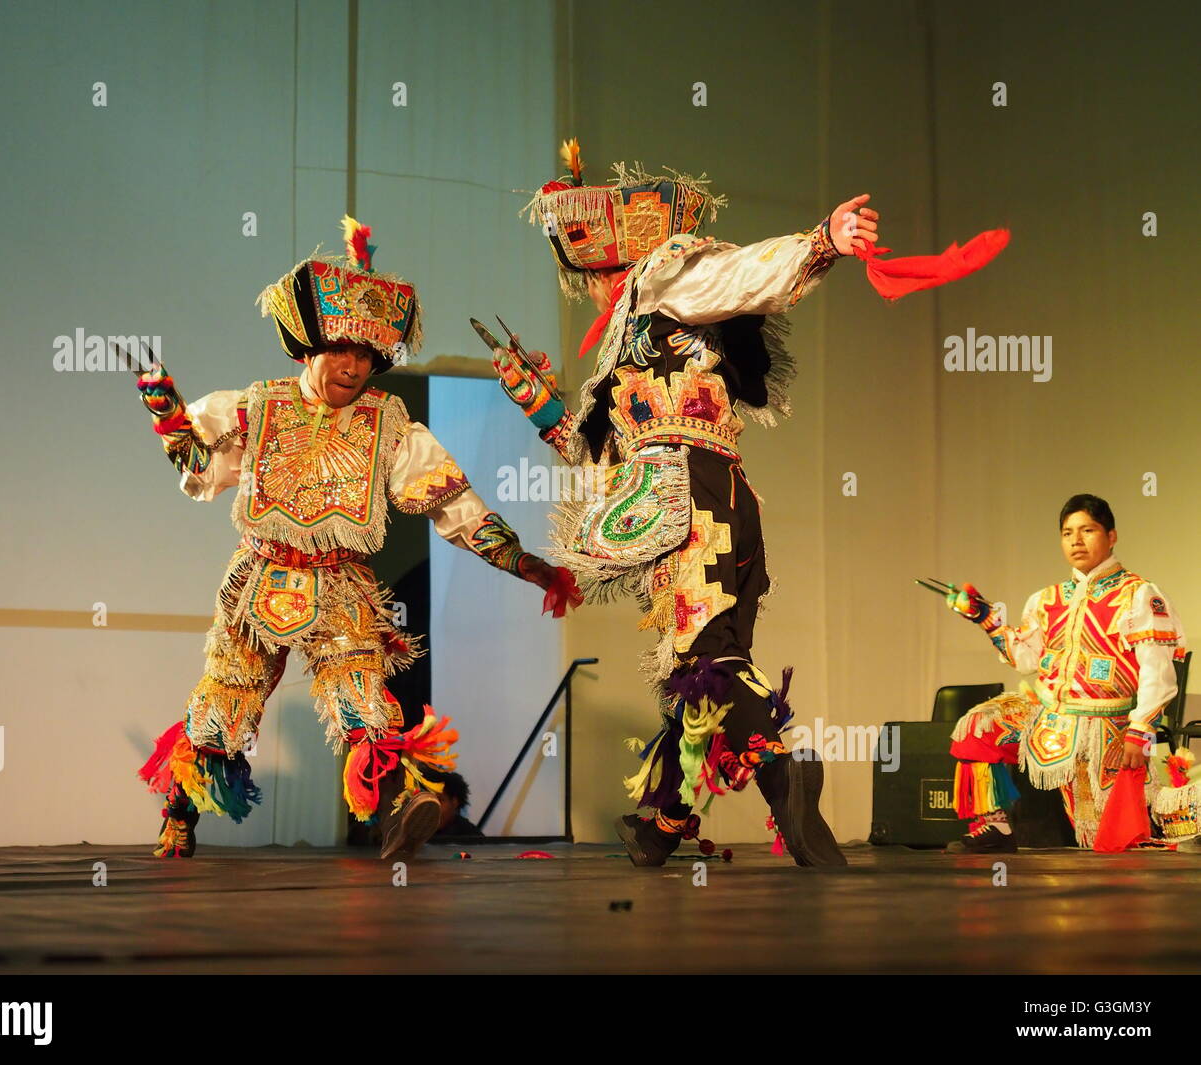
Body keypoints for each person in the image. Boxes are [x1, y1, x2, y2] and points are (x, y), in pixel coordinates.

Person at [134, 217, 578, 861]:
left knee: (368, 709)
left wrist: (521, 560)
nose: (354, 365)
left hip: (343, 586)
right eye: (341, 350)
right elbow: (200, 472)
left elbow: (450, 500)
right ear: (307, 348)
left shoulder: (390, 424)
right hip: (257, 579)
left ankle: (400, 812)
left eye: (367, 355)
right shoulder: (254, 408)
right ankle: (179, 814)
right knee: (221, 712)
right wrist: (171, 422)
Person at [491, 141, 881, 866]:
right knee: (703, 662)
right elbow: (603, 449)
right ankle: (662, 820)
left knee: (706, 657)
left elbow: (734, 274)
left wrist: (818, 242)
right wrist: (539, 404)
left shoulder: (666, 272)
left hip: (688, 497)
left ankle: (782, 771)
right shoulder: (635, 331)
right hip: (714, 495)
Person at [942, 493, 1188, 851]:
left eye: (1087, 530)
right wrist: (986, 620)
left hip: (1105, 723)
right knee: (978, 726)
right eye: (1068, 532)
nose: (1076, 540)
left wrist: (1140, 730)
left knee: (1106, 842)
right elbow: (1026, 661)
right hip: (1049, 716)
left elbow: (1158, 672)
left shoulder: (1138, 594)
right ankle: (997, 827)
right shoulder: (1047, 598)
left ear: (1111, 536)